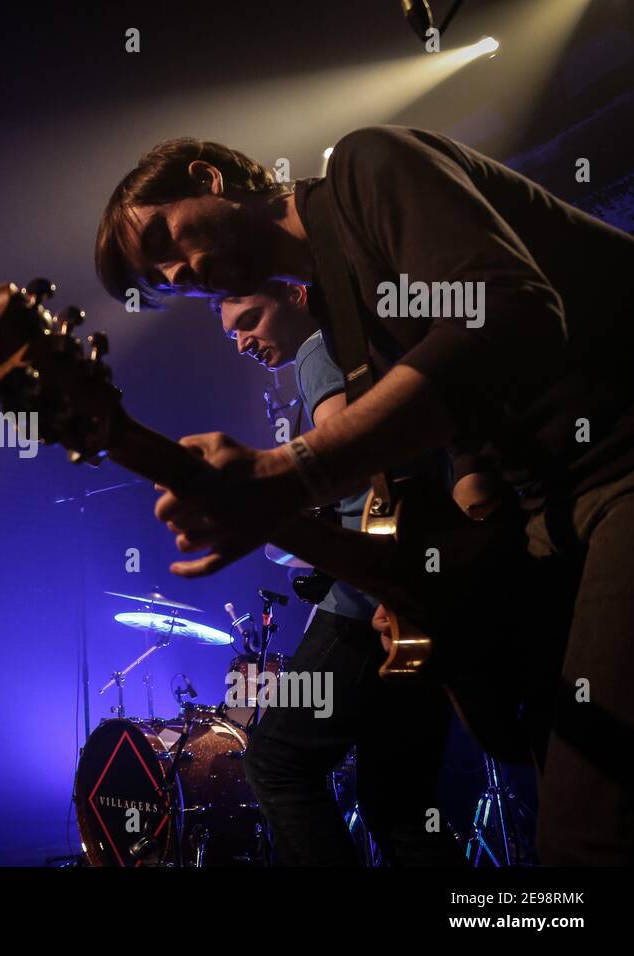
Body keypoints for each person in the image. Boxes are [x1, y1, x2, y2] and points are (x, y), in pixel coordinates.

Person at [95, 125, 634, 864]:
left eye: (164, 235)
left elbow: (512, 315)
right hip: (553, 508)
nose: (182, 270)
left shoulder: (367, 166)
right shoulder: (342, 316)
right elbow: (464, 444)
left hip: (620, 463)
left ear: (209, 178)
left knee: (584, 844)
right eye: (167, 281)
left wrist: (292, 470)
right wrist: (434, 571)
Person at [218, 282, 462, 865]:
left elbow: (342, 459)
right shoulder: (378, 340)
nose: (243, 343)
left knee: (275, 763)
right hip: (418, 589)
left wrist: (261, 486)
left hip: (362, 602)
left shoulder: (318, 349)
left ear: (299, 295)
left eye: (249, 319)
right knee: (400, 805)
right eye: (231, 334)